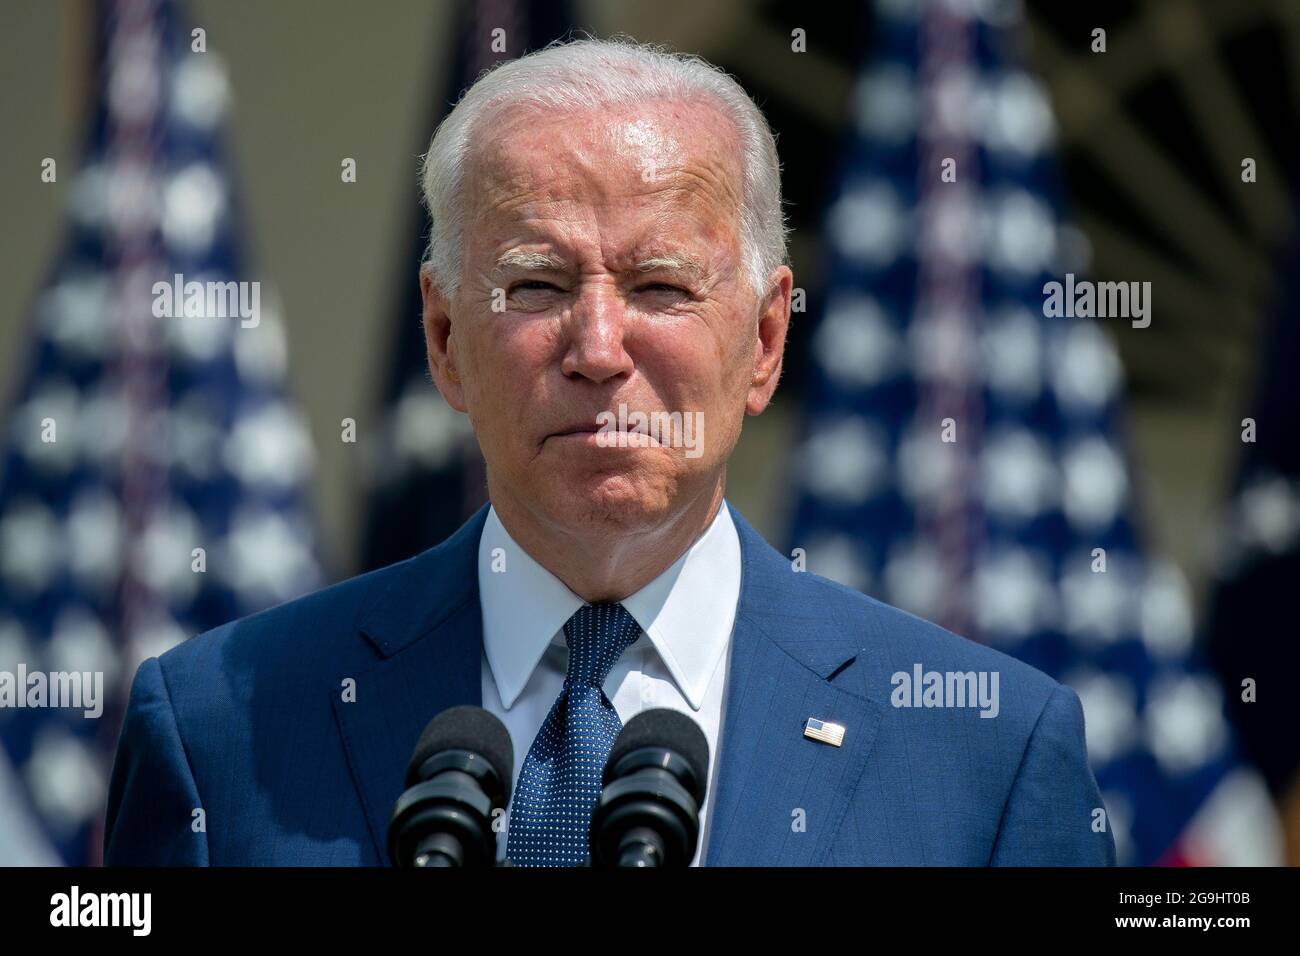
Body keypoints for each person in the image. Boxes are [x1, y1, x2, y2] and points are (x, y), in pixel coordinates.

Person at [104, 37, 1114, 866]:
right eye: (536, 285)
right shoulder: (218, 726)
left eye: (662, 286)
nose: (596, 348)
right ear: (445, 339)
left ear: (764, 341)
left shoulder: (984, 752)